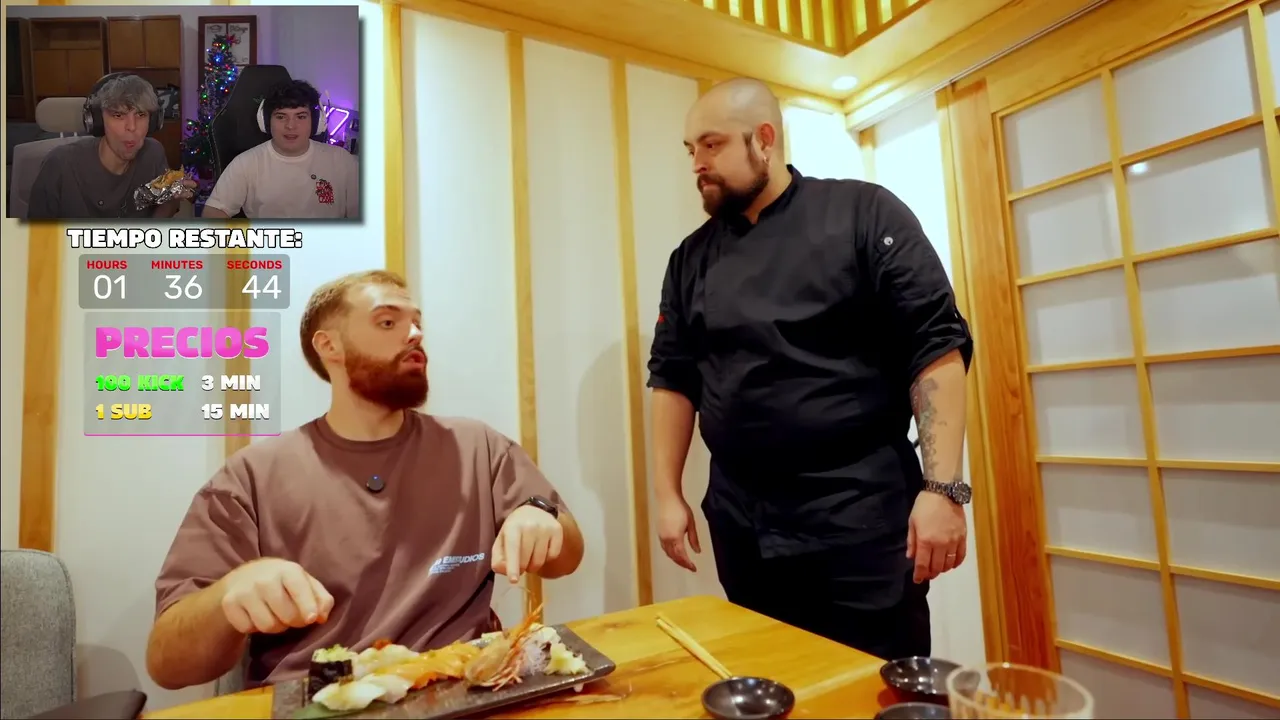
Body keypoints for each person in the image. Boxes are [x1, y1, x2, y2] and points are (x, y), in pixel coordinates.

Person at [648, 78, 973, 661]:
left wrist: (942, 489)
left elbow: (936, 346)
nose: (696, 163)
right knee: (774, 681)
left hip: (861, 520)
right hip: (744, 526)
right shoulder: (690, 259)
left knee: (876, 684)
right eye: (690, 150)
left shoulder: (863, 214)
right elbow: (673, 378)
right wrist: (667, 494)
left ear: (764, 139)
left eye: (712, 144)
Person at [145, 270, 584, 690]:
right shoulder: (250, 478)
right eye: (388, 322)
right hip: (323, 700)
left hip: (469, 688)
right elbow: (168, 663)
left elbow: (565, 559)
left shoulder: (476, 446)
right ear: (329, 345)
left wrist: (540, 517)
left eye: (417, 323)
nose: (415, 334)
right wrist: (228, 595)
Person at [27, 73, 192, 219]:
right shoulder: (60, 165)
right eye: (118, 115)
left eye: (141, 114)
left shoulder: (153, 153)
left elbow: (163, 208)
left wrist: (171, 198)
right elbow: (36, 239)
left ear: (153, 121)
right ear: (97, 121)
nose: (132, 127)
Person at [203, 79, 359, 219]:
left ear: (316, 122)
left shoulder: (342, 160)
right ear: (266, 122)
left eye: (301, 116)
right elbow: (214, 212)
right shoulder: (245, 164)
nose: (290, 126)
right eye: (281, 117)